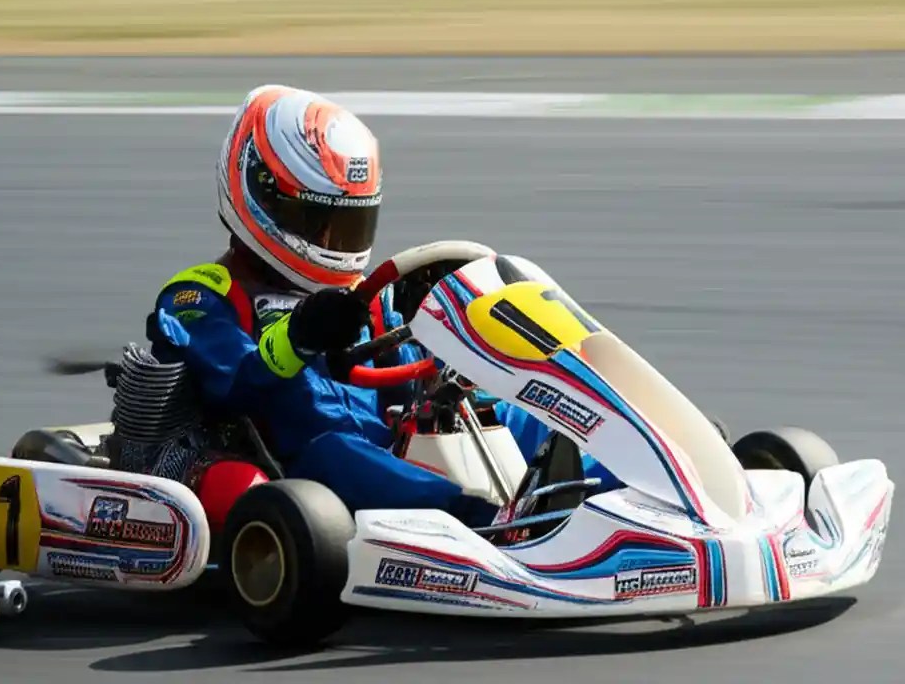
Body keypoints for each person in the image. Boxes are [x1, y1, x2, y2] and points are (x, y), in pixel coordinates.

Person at [144, 84, 618, 526]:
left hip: (392, 438)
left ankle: (621, 490)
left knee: (525, 414)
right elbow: (236, 381)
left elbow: (406, 376)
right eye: (318, 222)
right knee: (338, 453)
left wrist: (449, 366)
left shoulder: (364, 298)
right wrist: (299, 337)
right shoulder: (201, 296)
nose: (335, 244)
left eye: (349, 225)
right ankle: (482, 521)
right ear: (261, 193)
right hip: (300, 462)